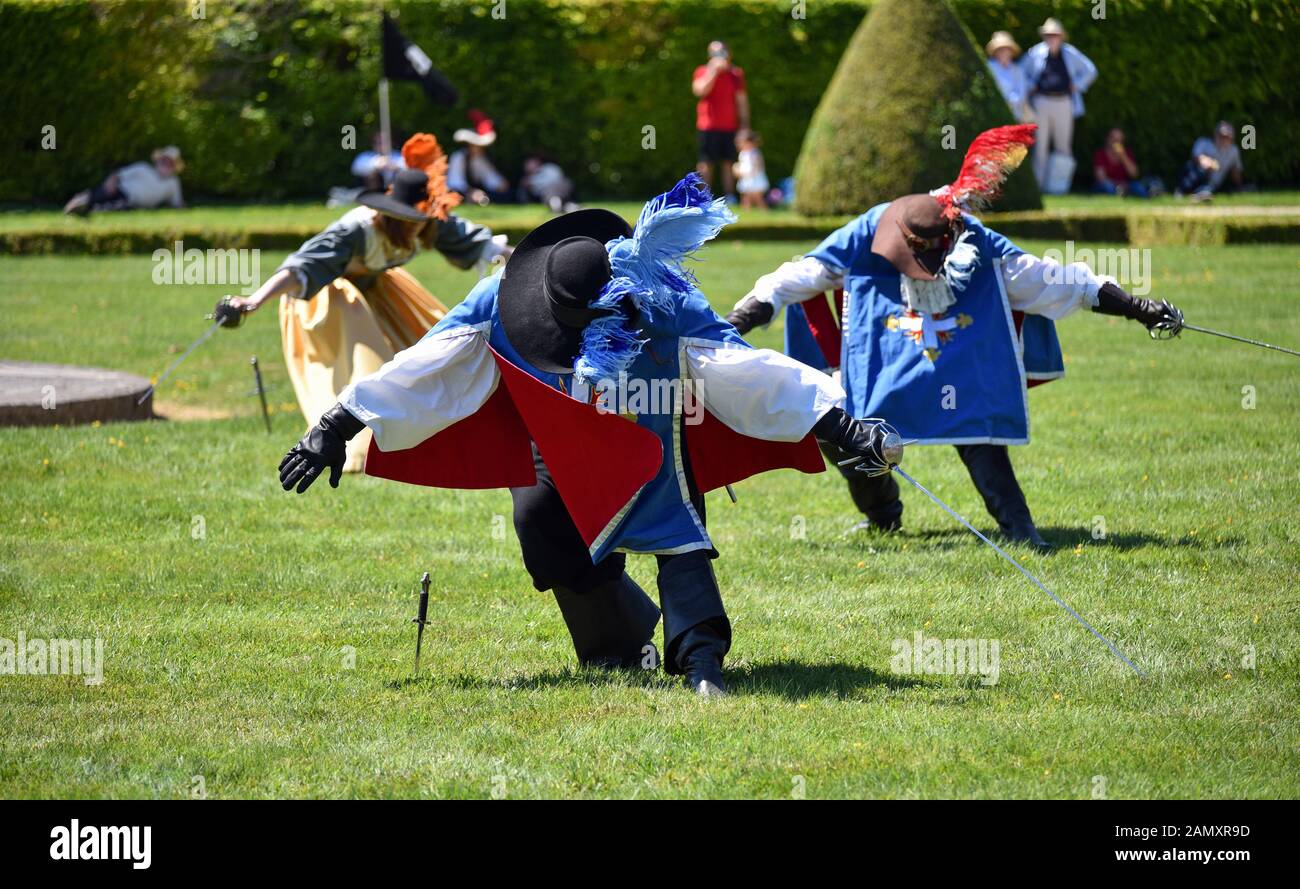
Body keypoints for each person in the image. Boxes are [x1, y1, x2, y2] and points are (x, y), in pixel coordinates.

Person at [274, 175, 901, 696]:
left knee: (675, 530)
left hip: (657, 430)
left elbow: (745, 369)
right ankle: (621, 648)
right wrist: (337, 425)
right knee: (544, 525)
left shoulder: (666, 298)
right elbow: (427, 361)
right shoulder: (496, 297)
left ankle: (702, 660)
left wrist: (837, 422)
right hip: (556, 432)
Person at [725, 126, 1182, 550]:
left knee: (977, 425)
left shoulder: (975, 239)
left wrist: (1136, 307)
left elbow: (1054, 281)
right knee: (846, 430)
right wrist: (732, 325)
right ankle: (883, 516)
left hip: (960, 360)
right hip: (879, 361)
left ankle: (1020, 529)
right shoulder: (866, 230)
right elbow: (792, 278)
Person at [219, 134, 511, 473]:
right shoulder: (355, 230)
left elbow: (480, 245)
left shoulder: (431, 222)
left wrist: (527, 263)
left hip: (379, 288)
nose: (421, 223)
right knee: (367, 361)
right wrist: (253, 301)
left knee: (427, 345)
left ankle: (439, 428)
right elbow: (302, 266)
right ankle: (348, 438)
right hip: (331, 298)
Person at [1021, 18, 1097, 192]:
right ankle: (1038, 188)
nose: (1052, 38)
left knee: (1063, 146)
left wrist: (1077, 84)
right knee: (1040, 145)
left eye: (1055, 35)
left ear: (1061, 36)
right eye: (1048, 35)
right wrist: (1030, 85)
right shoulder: (1035, 52)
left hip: (1064, 102)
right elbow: (1020, 72)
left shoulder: (1070, 53)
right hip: (1041, 102)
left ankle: (1058, 188)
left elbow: (1091, 70)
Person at [692, 41, 749, 200]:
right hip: (708, 126)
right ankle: (702, 197)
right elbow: (700, 90)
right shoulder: (702, 71)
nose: (719, 56)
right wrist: (713, 72)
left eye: (722, 52)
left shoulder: (735, 74)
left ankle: (729, 195)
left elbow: (742, 101)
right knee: (706, 162)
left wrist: (744, 124)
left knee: (728, 162)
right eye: (715, 53)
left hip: (730, 126)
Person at [63, 147, 185, 216]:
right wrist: (110, 184)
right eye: (164, 160)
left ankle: (85, 210)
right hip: (120, 189)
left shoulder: (173, 183)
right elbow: (117, 175)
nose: (166, 164)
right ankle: (77, 203)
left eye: (170, 163)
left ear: (174, 167)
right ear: (158, 161)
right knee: (99, 196)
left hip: (131, 203)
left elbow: (177, 204)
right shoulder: (143, 168)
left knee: (114, 208)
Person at [447, 110, 510, 205]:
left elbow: (492, 179)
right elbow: (455, 184)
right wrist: (471, 192)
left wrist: (500, 185)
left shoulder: (479, 160)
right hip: (456, 195)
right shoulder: (458, 158)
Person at [1177, 121, 1245, 201]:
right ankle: (1182, 191)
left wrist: (1240, 187)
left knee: (1208, 187)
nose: (1224, 139)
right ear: (1216, 134)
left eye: (1227, 136)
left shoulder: (1234, 151)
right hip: (1198, 176)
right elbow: (1196, 157)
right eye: (1222, 135)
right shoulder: (1203, 143)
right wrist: (1207, 162)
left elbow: (1235, 171)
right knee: (1195, 170)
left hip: (1213, 183)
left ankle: (1201, 194)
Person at [1092, 128, 1160, 197]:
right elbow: (1101, 178)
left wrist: (1123, 157)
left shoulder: (1127, 153)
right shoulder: (1101, 154)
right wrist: (1118, 184)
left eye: (1119, 140)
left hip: (1126, 184)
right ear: (1108, 139)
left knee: (1138, 187)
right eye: (1114, 139)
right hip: (1110, 185)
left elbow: (1134, 174)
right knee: (1107, 186)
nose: (1116, 142)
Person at [985, 31, 1031, 123]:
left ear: (1011, 51)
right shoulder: (989, 67)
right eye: (1000, 49)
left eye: (1006, 49)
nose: (1003, 52)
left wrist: (1014, 101)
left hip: (1016, 114)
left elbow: (1022, 91)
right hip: (995, 113)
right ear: (995, 52)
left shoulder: (1017, 69)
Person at [733, 130, 769, 209]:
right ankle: (746, 211)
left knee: (757, 197)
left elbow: (759, 165)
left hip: (755, 178)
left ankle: (764, 210)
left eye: (742, 142)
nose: (740, 145)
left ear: (750, 143)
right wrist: (738, 170)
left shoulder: (755, 153)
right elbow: (742, 164)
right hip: (746, 178)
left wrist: (752, 172)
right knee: (746, 196)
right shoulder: (742, 153)